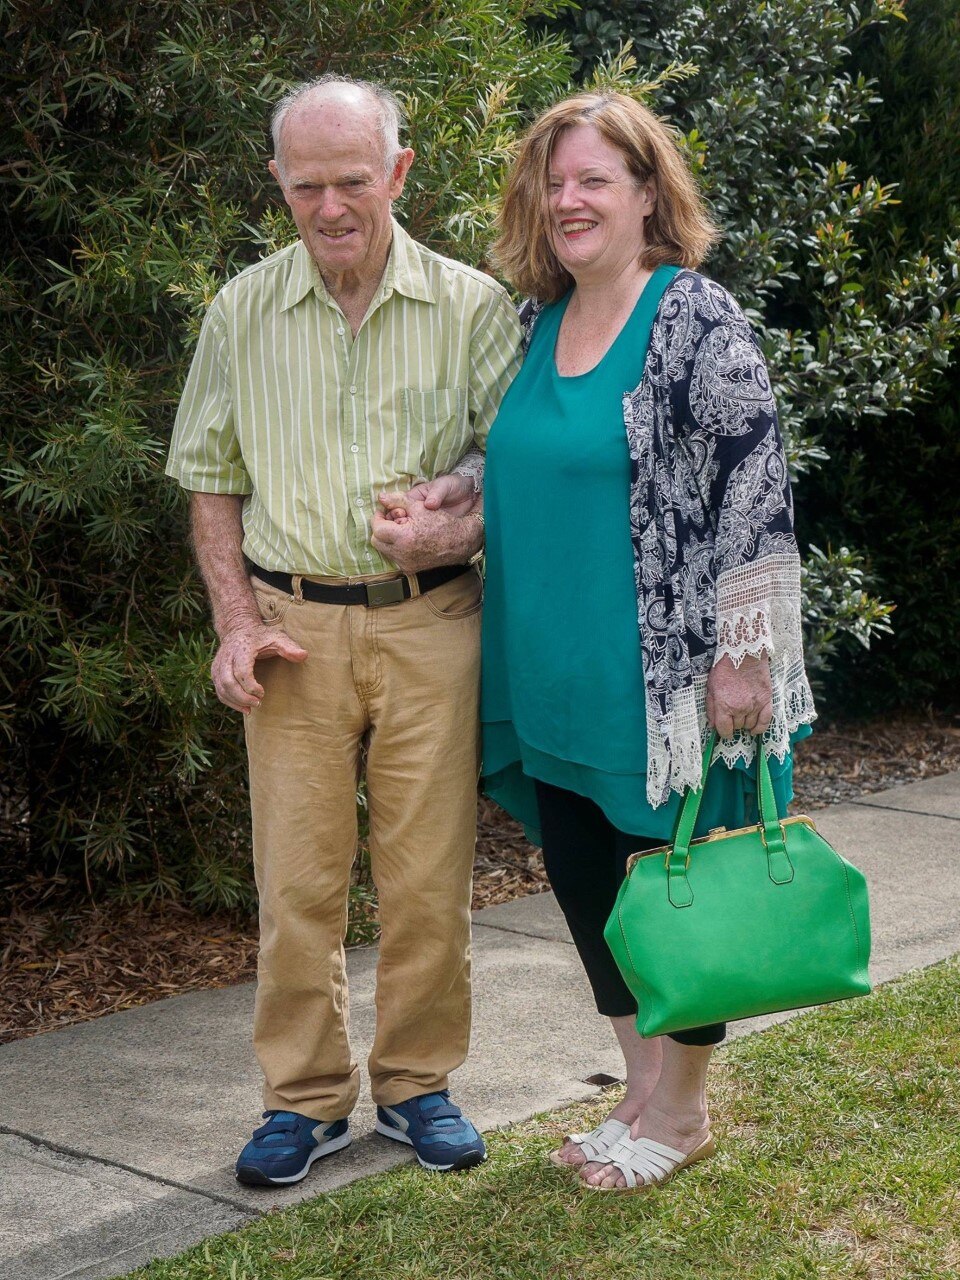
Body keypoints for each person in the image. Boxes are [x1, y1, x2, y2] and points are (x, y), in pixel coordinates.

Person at [166, 74, 522, 1184]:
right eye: (305, 183)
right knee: (298, 881)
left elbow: (512, 462)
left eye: (352, 181)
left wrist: (452, 515)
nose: (329, 206)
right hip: (290, 627)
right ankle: (304, 1099)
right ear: (277, 180)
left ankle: (418, 1084)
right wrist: (233, 621)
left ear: (399, 175)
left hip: (432, 622)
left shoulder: (472, 304)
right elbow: (212, 483)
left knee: (427, 875)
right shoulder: (240, 310)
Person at [479, 92, 816, 1192]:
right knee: (583, 875)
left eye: (593, 180)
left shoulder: (693, 317)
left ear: (643, 195)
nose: (568, 200)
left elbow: (752, 491)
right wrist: (440, 505)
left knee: (674, 884)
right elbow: (521, 468)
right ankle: (636, 1085)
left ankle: (683, 1108)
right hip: (551, 667)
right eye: (554, 181)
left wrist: (744, 652)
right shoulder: (538, 322)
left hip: (663, 680)